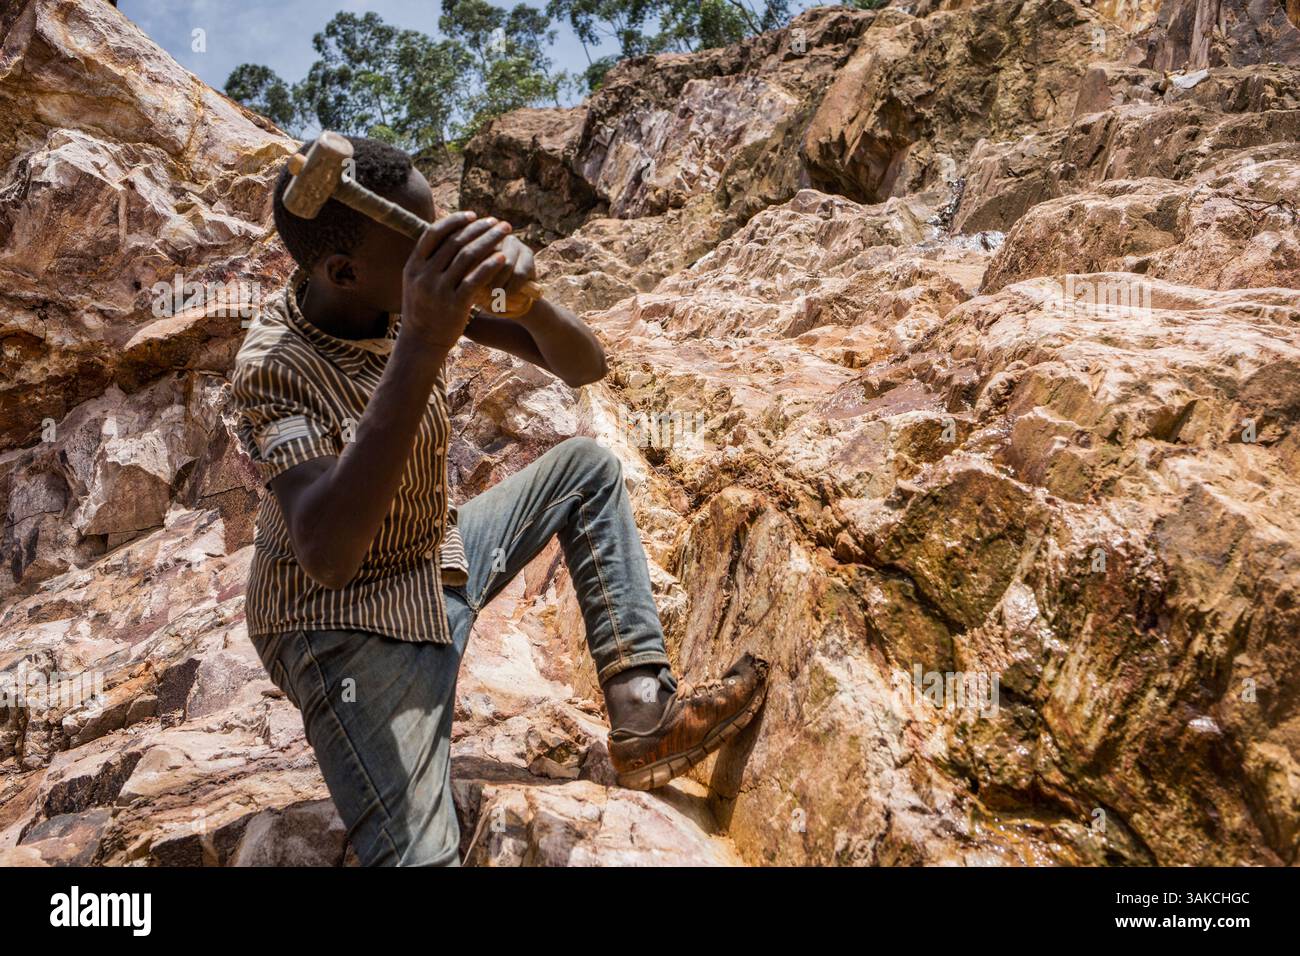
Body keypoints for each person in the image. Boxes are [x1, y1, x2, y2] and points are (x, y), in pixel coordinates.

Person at [230, 136, 768, 865]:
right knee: (423, 858)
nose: (443, 252)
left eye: (441, 230)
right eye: (423, 243)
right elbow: (327, 553)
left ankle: (645, 714)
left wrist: (529, 300)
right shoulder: (274, 367)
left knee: (583, 470)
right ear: (345, 271)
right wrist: (421, 342)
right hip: (344, 629)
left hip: (431, 562)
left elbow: (584, 364)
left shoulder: (407, 288)